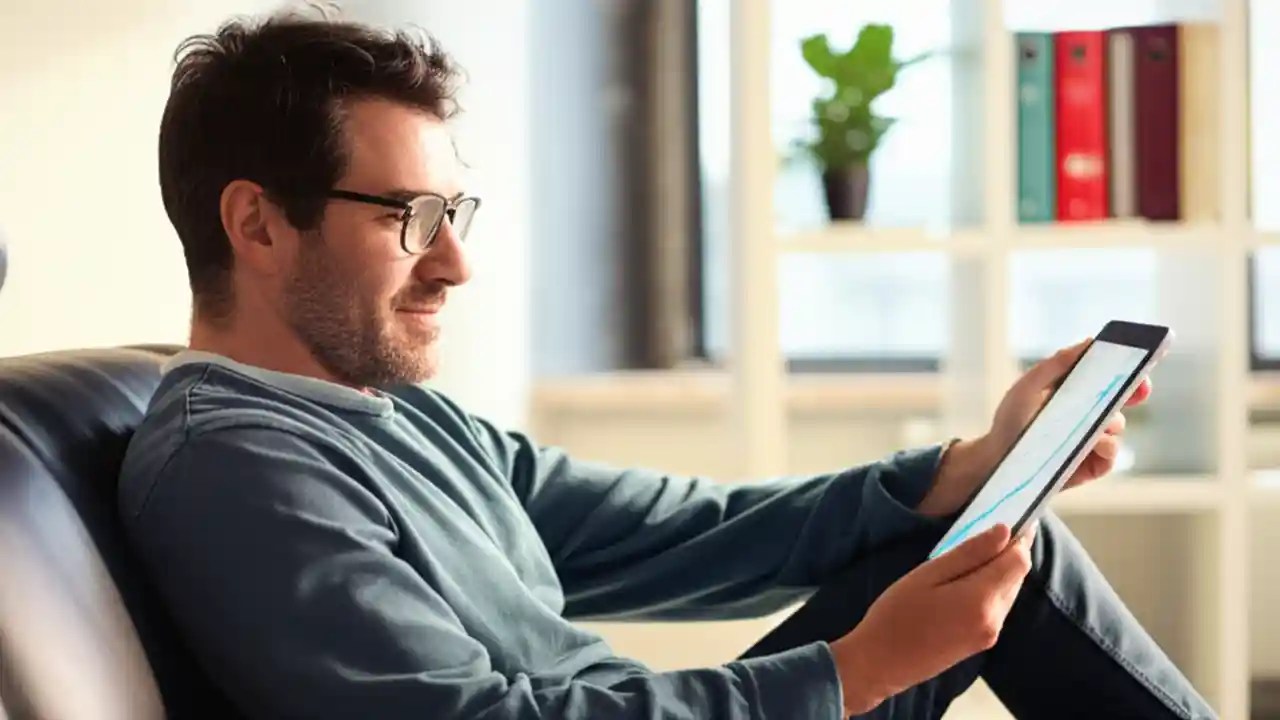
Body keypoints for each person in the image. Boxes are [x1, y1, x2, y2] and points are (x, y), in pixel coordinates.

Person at [117, 10, 1216, 720]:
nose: (455, 262)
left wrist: (967, 466)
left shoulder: (388, 411)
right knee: (1006, 580)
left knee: (988, 545)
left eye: (456, 211)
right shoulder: (237, 470)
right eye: (411, 217)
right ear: (257, 227)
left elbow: (683, 526)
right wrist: (855, 670)